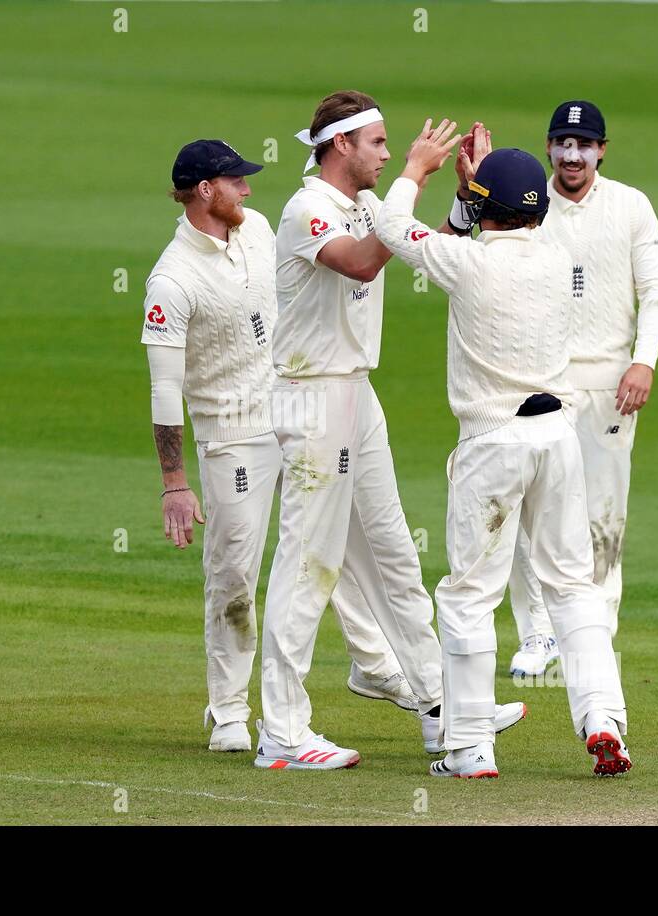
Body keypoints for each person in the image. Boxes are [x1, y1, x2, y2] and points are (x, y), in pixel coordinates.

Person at [255, 92, 523, 772]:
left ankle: (444, 709)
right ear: (341, 145)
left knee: (395, 555)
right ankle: (281, 732)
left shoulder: (364, 207)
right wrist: (415, 174)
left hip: (354, 393)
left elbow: (419, 247)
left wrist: (466, 200)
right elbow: (363, 262)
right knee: (308, 561)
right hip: (310, 396)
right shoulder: (306, 207)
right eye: (377, 142)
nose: (385, 152)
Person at [142, 139, 419, 754]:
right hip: (231, 437)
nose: (247, 189)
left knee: (330, 544)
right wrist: (173, 482)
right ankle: (230, 711)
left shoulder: (262, 227)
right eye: (235, 181)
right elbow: (165, 389)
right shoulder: (171, 279)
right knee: (234, 573)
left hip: (291, 410)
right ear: (205, 190)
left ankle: (376, 666)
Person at [375, 120, 631, 778]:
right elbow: (503, 218)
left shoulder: (464, 262)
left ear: (485, 210)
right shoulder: (554, 254)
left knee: (467, 597)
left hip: (494, 441)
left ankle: (468, 748)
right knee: (573, 586)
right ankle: (603, 718)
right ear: (539, 209)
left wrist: (417, 168)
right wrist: (480, 187)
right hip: (558, 439)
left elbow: (390, 225)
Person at [507, 100, 658, 677]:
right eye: (561, 142)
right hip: (540, 381)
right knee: (533, 511)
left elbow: (653, 292)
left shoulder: (630, 206)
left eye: (583, 144)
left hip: (609, 383)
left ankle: (595, 640)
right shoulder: (527, 204)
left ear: (602, 149)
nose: (571, 155)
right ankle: (538, 638)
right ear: (548, 147)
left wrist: (642, 362)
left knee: (603, 515)